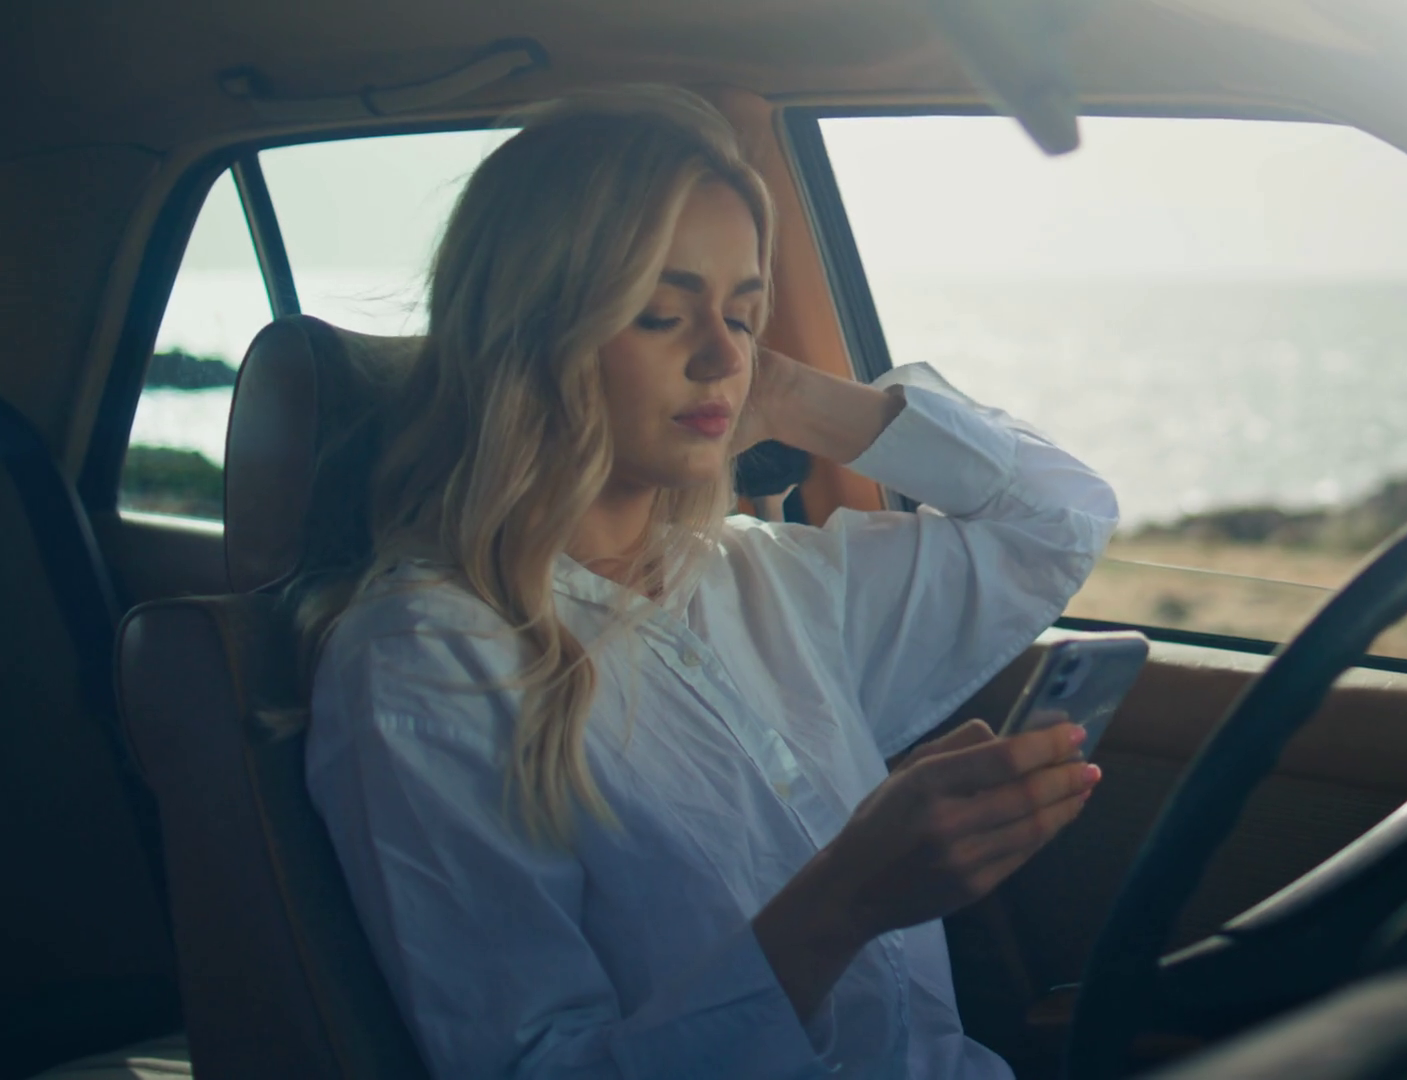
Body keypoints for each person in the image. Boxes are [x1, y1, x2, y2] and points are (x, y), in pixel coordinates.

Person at [296, 86, 1119, 1078]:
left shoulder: (767, 580)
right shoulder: (430, 665)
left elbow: (1060, 518)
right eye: (659, 313)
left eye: (744, 311)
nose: (722, 354)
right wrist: (844, 902)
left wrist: (789, 393)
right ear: (532, 331)